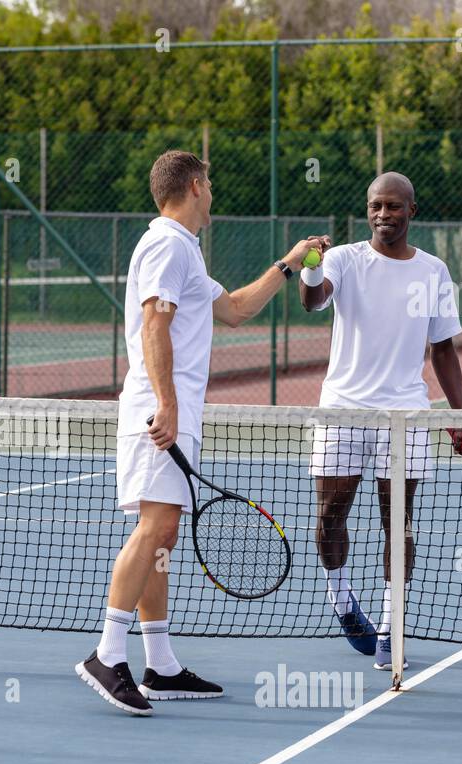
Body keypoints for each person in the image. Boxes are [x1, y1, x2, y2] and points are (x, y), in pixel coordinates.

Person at [76, 149, 325, 715]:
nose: (213, 192)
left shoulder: (183, 250)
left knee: (161, 533)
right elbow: (153, 325)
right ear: (193, 185)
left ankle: (159, 665)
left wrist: (289, 263)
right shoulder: (166, 244)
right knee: (157, 525)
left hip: (176, 408)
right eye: (209, 182)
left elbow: (236, 309)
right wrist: (167, 404)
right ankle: (107, 654)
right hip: (160, 409)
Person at [299, 172, 462, 671]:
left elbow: (443, 349)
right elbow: (313, 300)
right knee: (332, 514)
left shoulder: (434, 272)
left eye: (393, 206)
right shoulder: (342, 260)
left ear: (411, 211)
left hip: (405, 415)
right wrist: (310, 264)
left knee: (397, 523)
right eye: (376, 206)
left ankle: (389, 622)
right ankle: (340, 599)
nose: (383, 214)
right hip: (341, 410)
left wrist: (461, 417)